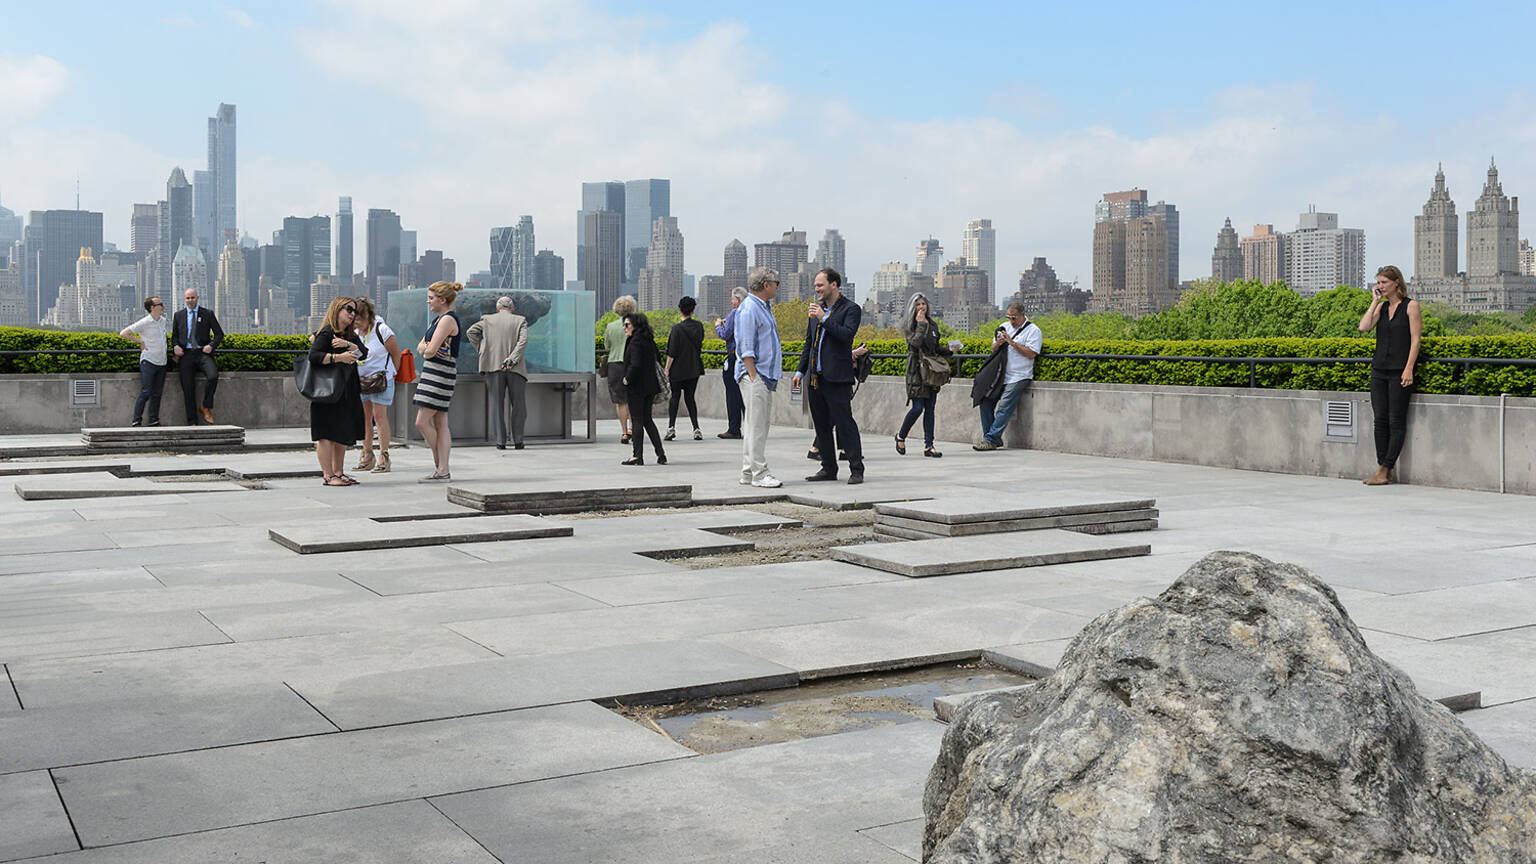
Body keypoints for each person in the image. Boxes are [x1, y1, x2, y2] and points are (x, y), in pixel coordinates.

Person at [793, 267, 865, 485]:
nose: (817, 290)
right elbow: (809, 343)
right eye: (815, 286)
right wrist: (800, 370)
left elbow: (846, 336)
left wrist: (824, 319)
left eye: (820, 285)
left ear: (834, 284)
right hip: (815, 378)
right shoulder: (816, 310)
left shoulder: (851, 309)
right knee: (821, 426)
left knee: (845, 423)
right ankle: (828, 468)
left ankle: (856, 468)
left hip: (837, 377)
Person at [1358, 264, 1421, 485]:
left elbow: (1415, 340)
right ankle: (1381, 467)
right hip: (1379, 371)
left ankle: (1386, 468)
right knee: (1380, 420)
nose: (1380, 286)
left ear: (1396, 283)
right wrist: (1374, 301)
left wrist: (1409, 368)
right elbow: (1364, 327)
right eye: (1378, 283)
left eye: (1384, 282)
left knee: (1396, 420)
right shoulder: (1382, 308)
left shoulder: (1411, 306)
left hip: (1399, 372)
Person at [308, 297, 368, 486]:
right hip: (327, 391)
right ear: (337, 309)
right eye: (348, 309)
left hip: (346, 389)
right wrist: (338, 357)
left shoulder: (349, 335)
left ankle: (339, 472)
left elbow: (363, 354)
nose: (352, 314)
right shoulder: (327, 333)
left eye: (354, 311)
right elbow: (314, 356)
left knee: (342, 432)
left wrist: (349, 346)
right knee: (326, 433)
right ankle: (328, 475)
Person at [972, 301, 1042, 451]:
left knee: (1004, 406)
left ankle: (990, 439)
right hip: (1000, 375)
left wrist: (1012, 343)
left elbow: (1031, 353)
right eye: (1009, 317)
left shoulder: (1033, 330)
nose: (1011, 321)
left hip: (1019, 376)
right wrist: (998, 343)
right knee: (985, 402)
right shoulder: (1004, 327)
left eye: (1014, 318)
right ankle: (993, 438)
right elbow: (992, 349)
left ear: (1023, 315)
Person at [736, 267, 783, 488]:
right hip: (756, 375)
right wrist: (753, 375)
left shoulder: (762, 307)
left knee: (755, 424)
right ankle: (759, 472)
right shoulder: (749, 309)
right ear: (766, 285)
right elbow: (745, 345)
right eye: (776, 282)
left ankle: (748, 471)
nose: (777, 286)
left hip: (762, 374)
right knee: (757, 426)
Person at [412, 280, 463, 482]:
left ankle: (440, 463)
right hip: (436, 372)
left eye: (431, 298)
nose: (428, 301)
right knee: (440, 422)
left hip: (439, 374)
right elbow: (422, 347)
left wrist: (427, 348)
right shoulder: (439, 320)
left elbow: (429, 350)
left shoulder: (447, 320)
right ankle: (442, 468)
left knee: (421, 422)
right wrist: (426, 348)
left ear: (442, 299)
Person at [466, 296, 530, 451]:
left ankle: (500, 441)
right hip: (515, 368)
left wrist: (482, 348)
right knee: (519, 406)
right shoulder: (520, 320)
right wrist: (512, 359)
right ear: (512, 308)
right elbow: (523, 341)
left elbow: (470, 332)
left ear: (497, 308)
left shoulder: (487, 320)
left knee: (497, 405)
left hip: (492, 366)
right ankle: (518, 440)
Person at [896, 292, 953, 458]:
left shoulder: (933, 324)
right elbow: (914, 345)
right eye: (918, 304)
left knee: (930, 409)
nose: (921, 307)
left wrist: (950, 351)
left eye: (923, 304)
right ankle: (901, 435)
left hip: (932, 372)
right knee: (917, 408)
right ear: (913, 308)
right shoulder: (910, 325)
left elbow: (934, 349)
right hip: (916, 371)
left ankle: (929, 446)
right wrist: (921, 325)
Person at [351, 296, 403, 473]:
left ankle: (384, 455)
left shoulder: (383, 330)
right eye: (354, 320)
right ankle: (367, 454)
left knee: (379, 417)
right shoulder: (356, 333)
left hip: (381, 380)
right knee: (364, 418)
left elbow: (397, 354)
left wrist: (391, 373)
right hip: (362, 380)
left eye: (359, 320)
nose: (356, 324)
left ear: (368, 317)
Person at [171, 287, 225, 425]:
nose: (190, 300)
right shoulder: (178, 315)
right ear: (184, 299)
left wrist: (211, 345)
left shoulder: (207, 314)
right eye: (188, 298)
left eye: (193, 297)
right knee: (188, 389)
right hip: (186, 355)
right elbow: (174, 337)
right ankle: (192, 422)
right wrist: (175, 346)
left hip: (203, 354)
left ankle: (205, 406)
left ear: (198, 298)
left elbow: (219, 334)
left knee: (213, 376)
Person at [620, 312, 666, 466]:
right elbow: (657, 360)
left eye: (627, 325)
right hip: (650, 386)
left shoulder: (635, 342)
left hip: (637, 387)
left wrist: (627, 379)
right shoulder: (648, 340)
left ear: (635, 326)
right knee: (648, 420)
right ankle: (661, 454)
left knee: (637, 420)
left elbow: (635, 364)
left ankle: (637, 455)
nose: (624, 328)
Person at [120, 296, 169, 427]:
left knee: (157, 393)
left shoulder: (163, 321)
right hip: (148, 361)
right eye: (160, 304)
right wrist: (140, 342)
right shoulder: (144, 322)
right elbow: (124, 333)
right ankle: (136, 419)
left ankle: (153, 420)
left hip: (162, 362)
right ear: (152, 308)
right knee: (146, 391)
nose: (163, 307)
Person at [664, 295, 705, 441]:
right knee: (690, 398)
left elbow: (671, 352)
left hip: (677, 369)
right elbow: (699, 345)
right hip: (694, 368)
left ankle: (671, 428)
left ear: (680, 310)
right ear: (693, 310)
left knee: (675, 397)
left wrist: (667, 369)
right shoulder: (699, 326)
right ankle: (696, 429)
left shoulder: (676, 329)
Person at [712, 287, 747, 439]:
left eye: (732, 299)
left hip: (733, 357)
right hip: (746, 357)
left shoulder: (735, 313)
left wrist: (718, 325)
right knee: (746, 394)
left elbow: (726, 335)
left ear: (737, 300)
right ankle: (751, 427)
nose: (731, 301)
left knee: (733, 394)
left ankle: (734, 428)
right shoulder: (748, 312)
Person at [604, 295, 637, 444]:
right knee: (634, 397)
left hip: (614, 365)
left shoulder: (610, 326)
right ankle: (632, 428)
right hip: (632, 365)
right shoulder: (635, 325)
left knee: (620, 401)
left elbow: (607, 346)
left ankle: (624, 432)